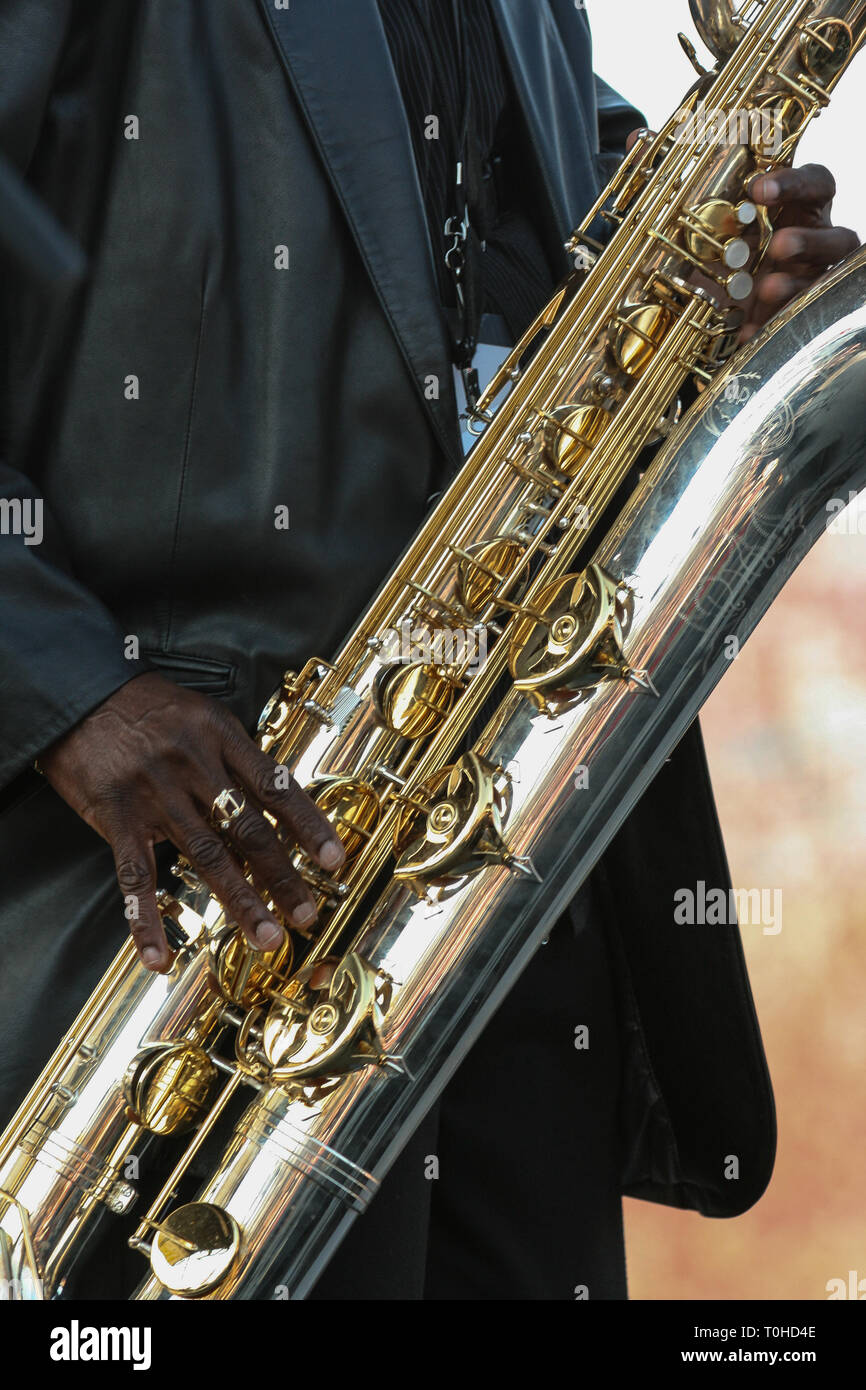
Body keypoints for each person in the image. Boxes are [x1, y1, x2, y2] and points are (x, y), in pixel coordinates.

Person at [0, 0, 857, 1301]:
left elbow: (524, 284)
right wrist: (65, 688)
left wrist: (710, 278)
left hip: (485, 846)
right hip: (174, 877)